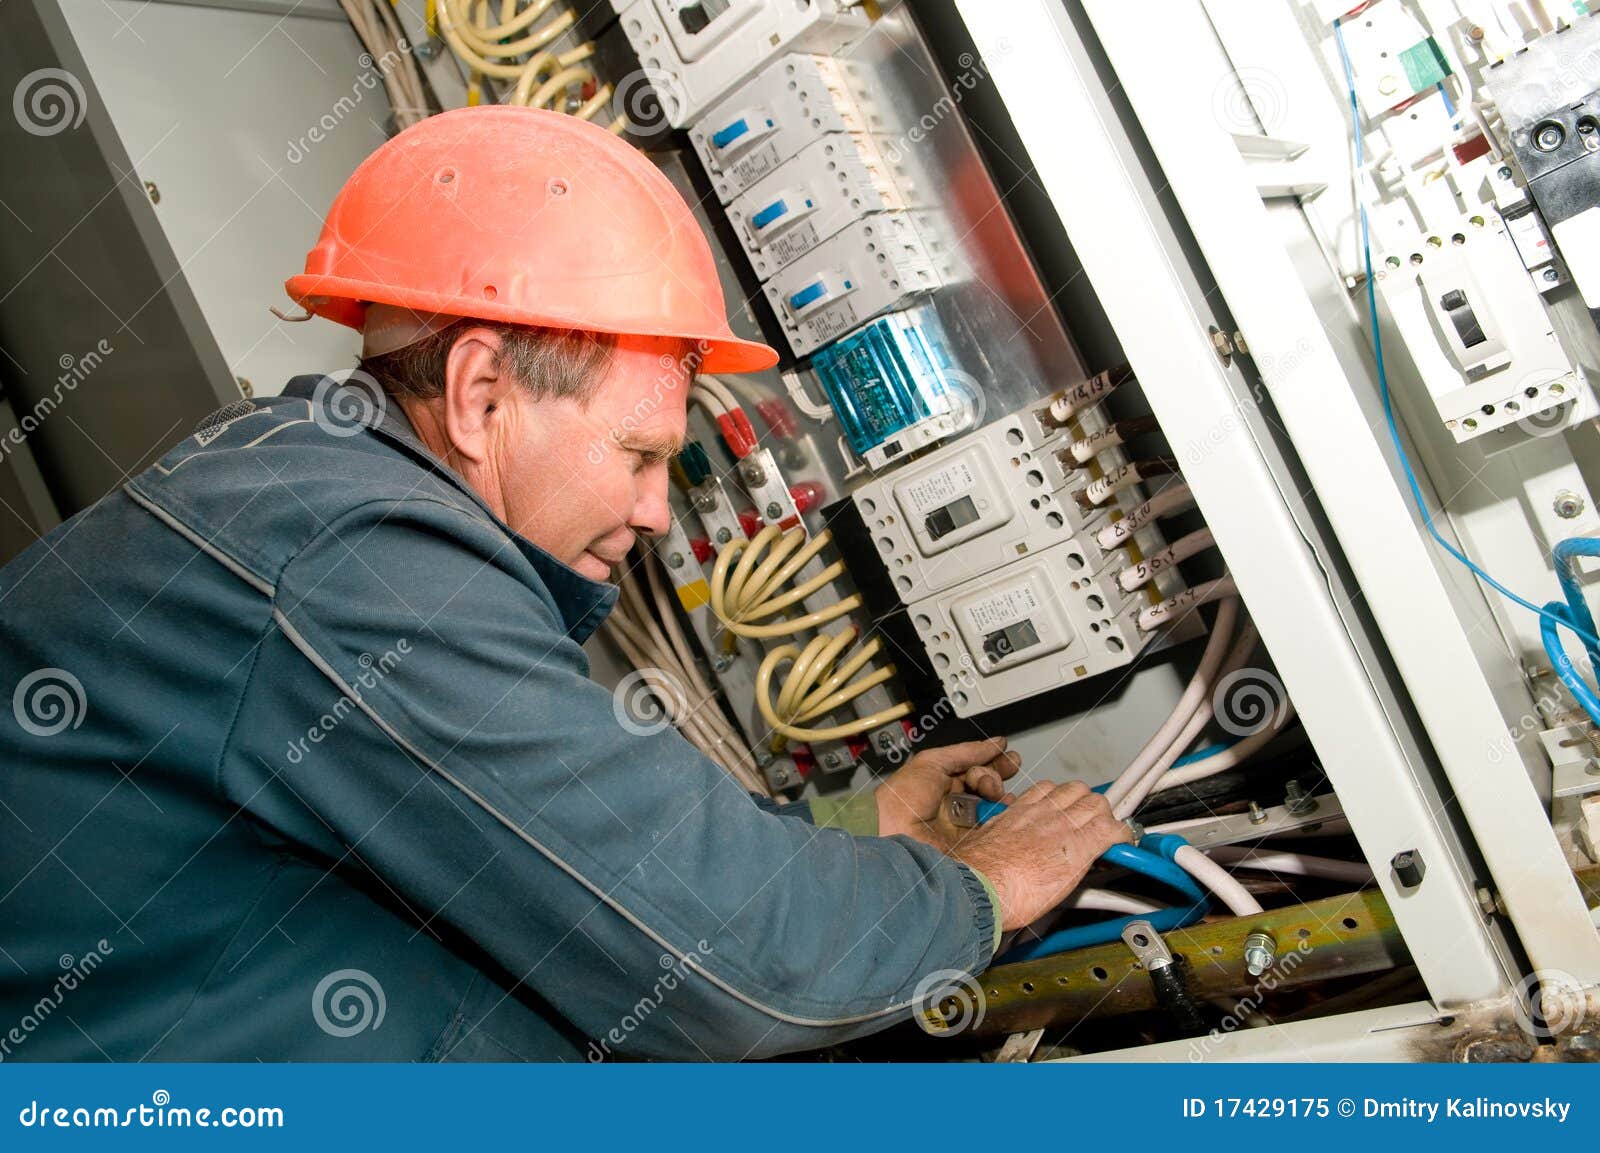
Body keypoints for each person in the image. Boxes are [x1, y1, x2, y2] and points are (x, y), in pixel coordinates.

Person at [0, 106, 1128, 1061]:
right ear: (481, 392)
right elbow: (734, 963)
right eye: (638, 455)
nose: (655, 510)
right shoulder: (353, 556)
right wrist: (986, 885)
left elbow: (558, 852)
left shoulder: (309, 486)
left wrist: (855, 821)